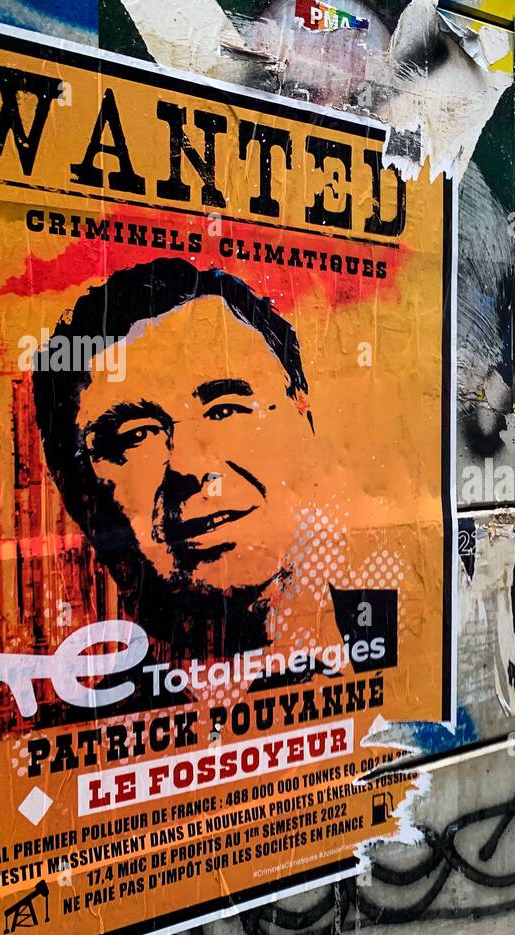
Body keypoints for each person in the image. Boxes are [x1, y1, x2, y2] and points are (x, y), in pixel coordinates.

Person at [34, 258, 316, 655]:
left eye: (225, 409)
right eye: (137, 436)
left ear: (302, 418)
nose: (189, 466)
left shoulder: (395, 638)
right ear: (79, 496)